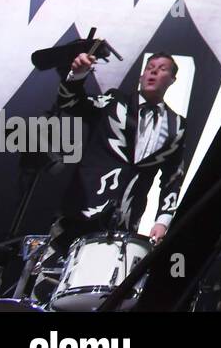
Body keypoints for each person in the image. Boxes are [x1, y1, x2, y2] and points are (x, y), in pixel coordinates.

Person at [47, 51, 187, 256]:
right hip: (81, 210)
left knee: (107, 272)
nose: (154, 71)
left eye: (162, 68)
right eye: (149, 67)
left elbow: (173, 177)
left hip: (125, 222)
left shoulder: (177, 126)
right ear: (142, 75)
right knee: (52, 270)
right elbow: (70, 103)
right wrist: (77, 76)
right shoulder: (114, 102)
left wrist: (163, 220)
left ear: (172, 79)